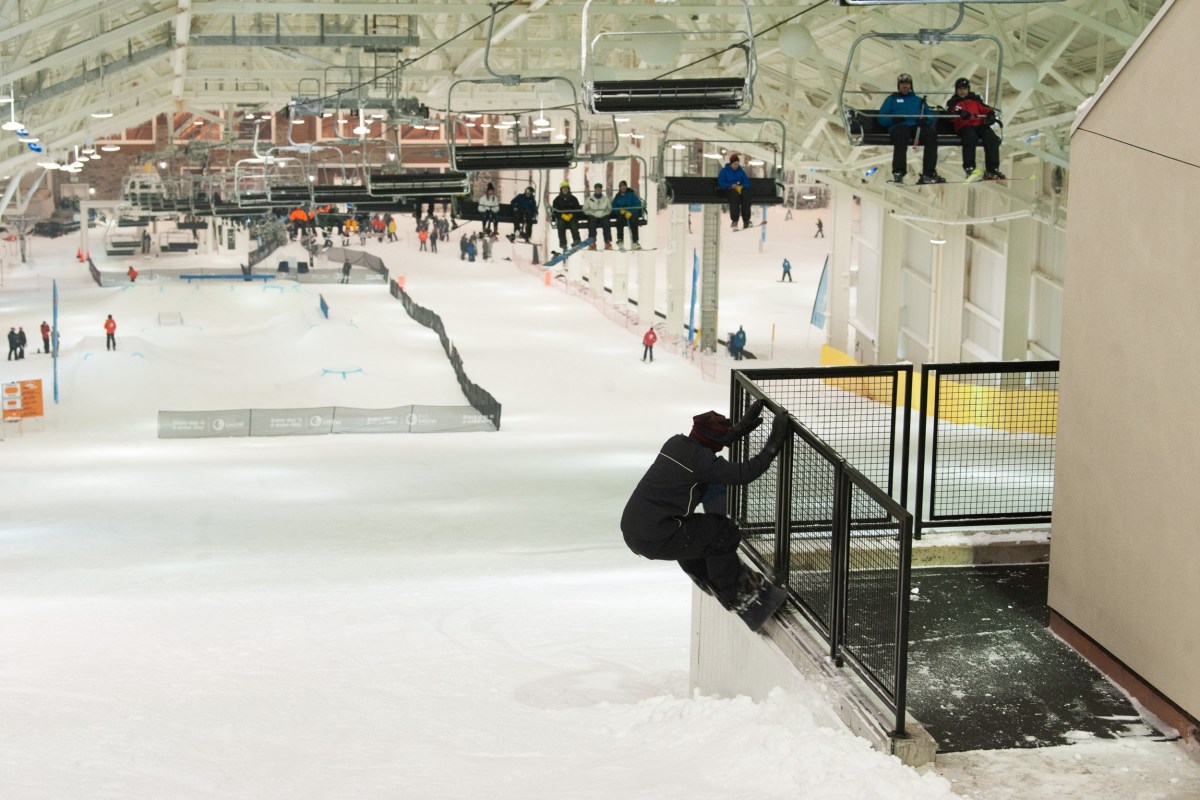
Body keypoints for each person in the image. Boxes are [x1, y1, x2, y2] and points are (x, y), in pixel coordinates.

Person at [621, 402, 790, 613]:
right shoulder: (702, 462)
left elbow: (708, 440)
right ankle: (738, 596)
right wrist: (774, 442)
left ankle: (704, 576)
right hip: (657, 537)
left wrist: (737, 430)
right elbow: (744, 474)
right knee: (724, 533)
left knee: (698, 530)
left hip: (635, 529)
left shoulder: (676, 443)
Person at [878, 73, 945, 185]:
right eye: (903, 84)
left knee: (931, 135)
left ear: (911, 86)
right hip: (899, 126)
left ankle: (928, 172)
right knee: (901, 136)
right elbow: (881, 117)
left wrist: (925, 120)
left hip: (916, 126)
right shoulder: (892, 99)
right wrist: (892, 120)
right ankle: (899, 172)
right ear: (899, 86)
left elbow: (929, 114)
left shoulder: (918, 100)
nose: (905, 86)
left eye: (907, 84)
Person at [946, 77, 1005, 180]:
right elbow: (950, 114)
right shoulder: (953, 102)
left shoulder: (975, 100)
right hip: (964, 125)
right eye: (960, 89)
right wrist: (960, 113)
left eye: (964, 88)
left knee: (992, 138)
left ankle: (992, 169)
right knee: (970, 137)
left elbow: (985, 108)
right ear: (956, 90)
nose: (962, 91)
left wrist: (990, 114)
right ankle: (970, 167)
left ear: (968, 89)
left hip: (979, 124)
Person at [717, 153, 753, 230]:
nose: (736, 166)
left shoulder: (741, 171)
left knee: (746, 194)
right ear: (731, 163)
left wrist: (743, 186)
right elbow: (721, 182)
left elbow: (747, 182)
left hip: (739, 189)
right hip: (729, 190)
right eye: (735, 164)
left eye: (737, 164)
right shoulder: (724, 171)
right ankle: (735, 220)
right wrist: (730, 185)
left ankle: (746, 220)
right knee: (734, 195)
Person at [550, 181, 583, 253]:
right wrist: (562, 215)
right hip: (562, 217)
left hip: (571, 216)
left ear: (569, 189)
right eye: (563, 189)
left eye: (566, 188)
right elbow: (555, 210)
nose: (565, 190)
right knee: (560, 225)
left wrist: (571, 214)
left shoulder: (573, 199)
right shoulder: (557, 199)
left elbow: (577, 208)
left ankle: (576, 240)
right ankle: (563, 243)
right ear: (561, 190)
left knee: (574, 225)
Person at [611, 180, 644, 250]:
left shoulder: (631, 194)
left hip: (631, 214)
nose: (623, 188)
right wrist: (619, 211)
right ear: (619, 188)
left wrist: (631, 212)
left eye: (624, 186)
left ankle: (635, 241)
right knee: (619, 220)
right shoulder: (617, 197)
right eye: (621, 186)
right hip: (622, 214)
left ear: (626, 187)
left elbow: (637, 204)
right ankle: (620, 240)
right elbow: (613, 207)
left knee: (634, 220)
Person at [582, 182, 613, 250]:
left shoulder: (605, 199)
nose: (598, 190)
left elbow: (609, 209)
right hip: (593, 216)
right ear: (595, 190)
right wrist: (590, 213)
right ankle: (592, 243)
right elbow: (585, 209)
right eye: (597, 189)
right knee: (591, 224)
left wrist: (605, 213)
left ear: (601, 190)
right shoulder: (590, 199)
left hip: (603, 215)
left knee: (606, 224)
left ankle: (607, 242)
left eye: (599, 189)